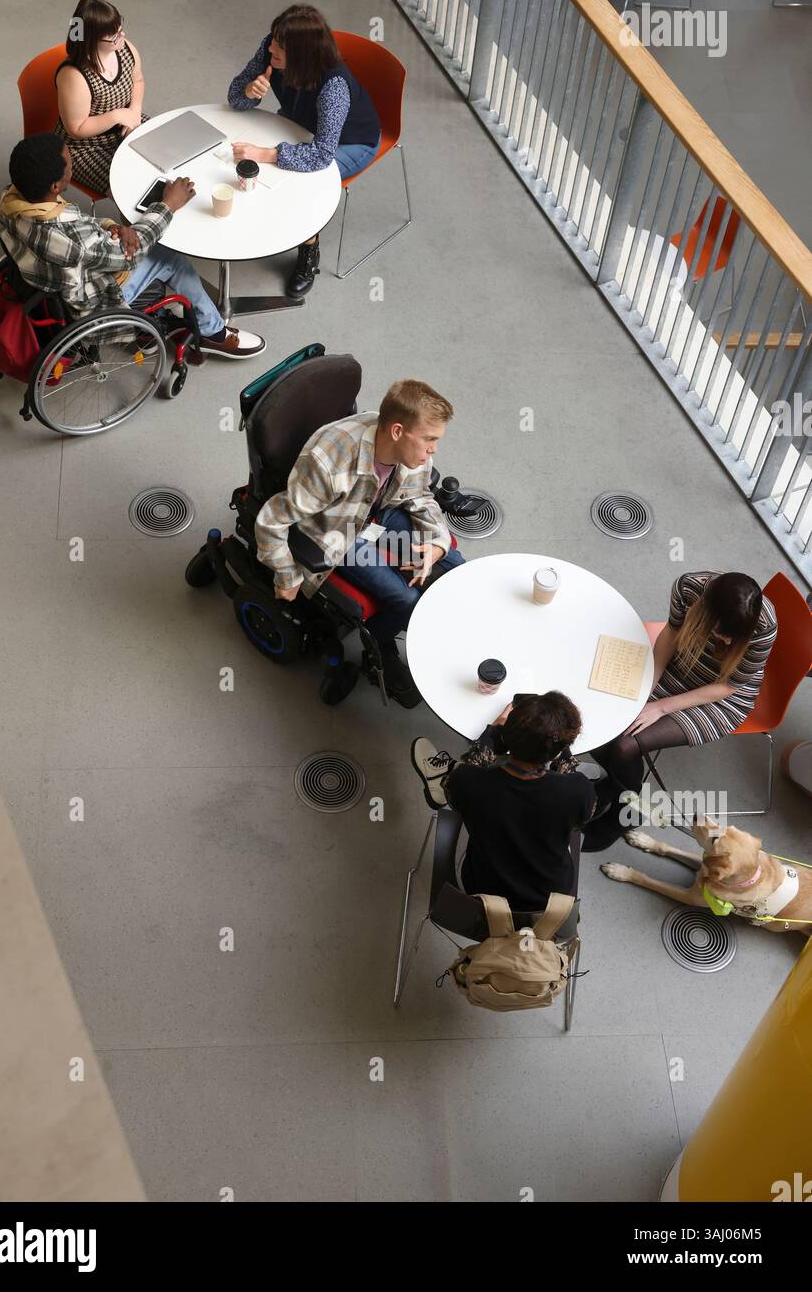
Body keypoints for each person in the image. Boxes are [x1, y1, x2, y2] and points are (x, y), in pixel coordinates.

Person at [253, 379, 465, 706]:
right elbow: (271, 519)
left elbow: (421, 496)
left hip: (379, 512)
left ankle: (459, 634)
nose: (434, 449)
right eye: (429, 439)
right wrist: (286, 574)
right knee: (406, 599)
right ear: (397, 431)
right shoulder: (329, 461)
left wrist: (436, 543)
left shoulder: (413, 454)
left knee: (454, 566)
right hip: (339, 533)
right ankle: (379, 648)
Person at [0, 133, 265, 359]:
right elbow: (129, 255)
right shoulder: (73, 240)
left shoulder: (11, 200)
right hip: (94, 301)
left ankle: (150, 329)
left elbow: (78, 228)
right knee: (170, 257)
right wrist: (168, 205)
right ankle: (213, 332)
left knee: (134, 237)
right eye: (69, 163)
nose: (73, 165)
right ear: (55, 185)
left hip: (52, 275)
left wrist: (106, 227)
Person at [589, 571, 778, 837]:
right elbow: (669, 636)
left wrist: (661, 706)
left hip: (720, 696)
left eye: (731, 638)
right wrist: (647, 686)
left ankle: (625, 814)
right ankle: (617, 787)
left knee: (624, 744)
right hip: (682, 664)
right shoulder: (688, 587)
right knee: (602, 724)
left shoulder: (763, 626)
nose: (724, 641)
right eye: (718, 632)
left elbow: (728, 686)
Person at [227, 4, 381, 297]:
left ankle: (308, 251)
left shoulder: (334, 87)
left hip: (351, 142)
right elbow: (234, 97)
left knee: (301, 178)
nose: (270, 47)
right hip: (300, 123)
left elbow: (322, 154)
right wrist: (249, 91)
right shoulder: (270, 48)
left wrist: (266, 154)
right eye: (273, 39)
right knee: (263, 156)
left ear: (300, 55)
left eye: (280, 46)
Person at [411, 692, 608, 913]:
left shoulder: (468, 782)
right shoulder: (577, 791)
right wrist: (562, 753)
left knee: (457, 789)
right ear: (558, 749)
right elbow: (585, 815)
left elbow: (460, 779)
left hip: (482, 898)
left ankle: (435, 777)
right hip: (549, 905)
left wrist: (490, 735)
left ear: (506, 737)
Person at [54, 0, 147, 198]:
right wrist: (117, 116)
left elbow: (138, 81)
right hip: (85, 147)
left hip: (124, 123)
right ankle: (135, 228)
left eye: (120, 29)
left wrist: (134, 112)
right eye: (114, 36)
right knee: (130, 190)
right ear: (91, 40)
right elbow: (76, 129)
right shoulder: (74, 76)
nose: (121, 36)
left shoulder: (126, 49)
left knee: (165, 154)